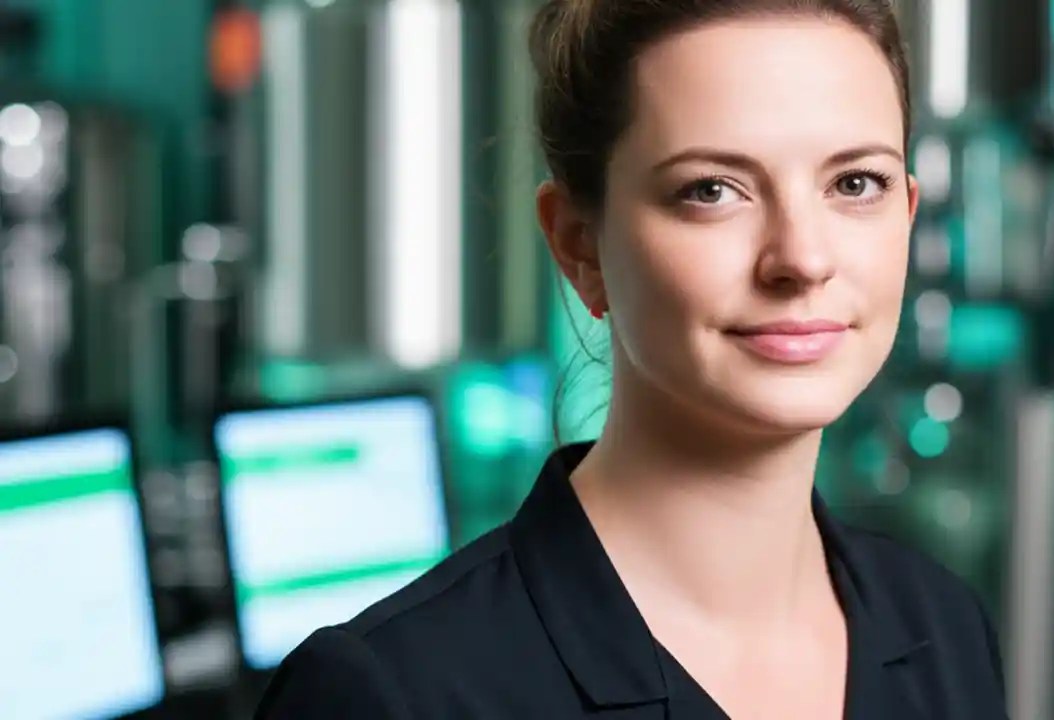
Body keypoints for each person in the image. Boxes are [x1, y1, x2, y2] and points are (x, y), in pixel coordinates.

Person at [255, 0, 1008, 717]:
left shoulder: (944, 628)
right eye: (712, 190)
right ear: (580, 244)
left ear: (907, 213)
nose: (802, 259)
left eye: (854, 183)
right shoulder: (395, 694)